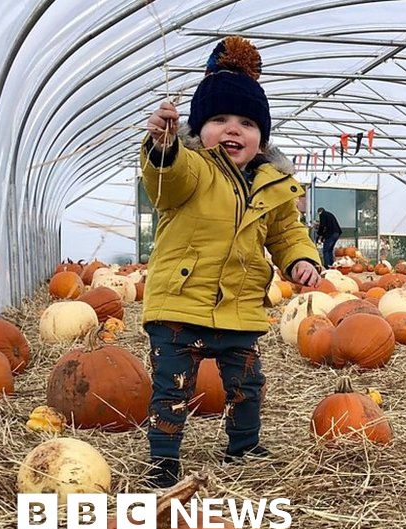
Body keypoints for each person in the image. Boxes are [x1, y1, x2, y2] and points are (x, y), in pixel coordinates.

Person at [142, 36, 321, 488]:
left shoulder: (274, 184)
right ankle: (163, 461)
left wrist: (300, 260)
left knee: (247, 386)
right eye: (218, 119)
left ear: (261, 137)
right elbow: (167, 176)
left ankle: (244, 446)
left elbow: (286, 231)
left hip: (239, 308)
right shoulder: (192, 169)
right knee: (172, 389)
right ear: (198, 130)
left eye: (245, 122)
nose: (232, 129)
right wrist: (162, 147)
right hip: (180, 305)